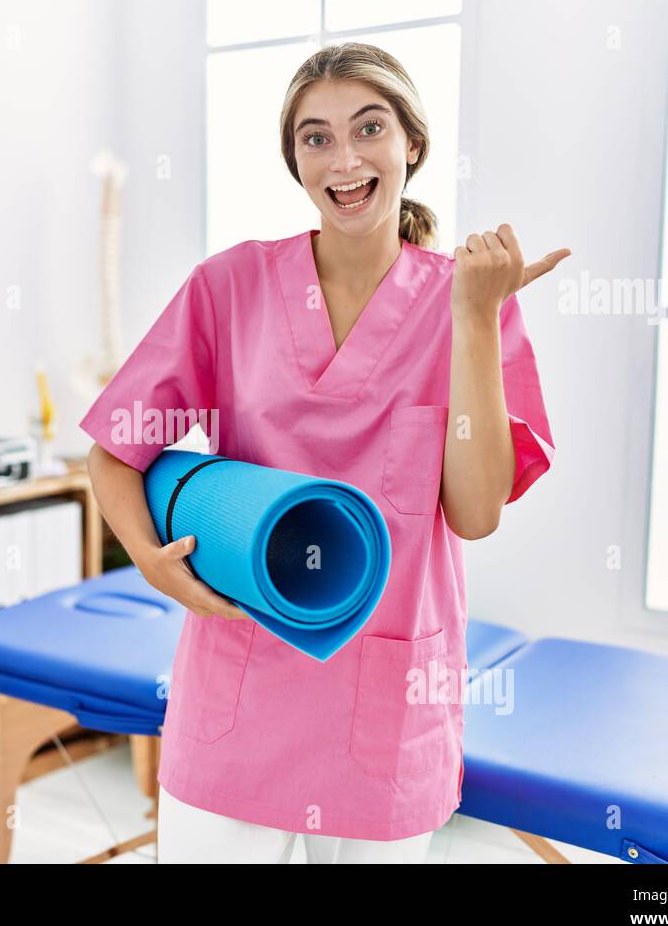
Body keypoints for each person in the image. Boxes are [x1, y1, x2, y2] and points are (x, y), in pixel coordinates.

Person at [80, 42, 567, 863]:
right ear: (295, 160)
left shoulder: (470, 301)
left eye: (368, 128)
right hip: (239, 690)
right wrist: (150, 560)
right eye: (316, 137)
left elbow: (476, 514)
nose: (344, 160)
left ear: (411, 142)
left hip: (386, 708)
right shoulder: (228, 287)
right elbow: (115, 449)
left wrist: (477, 318)